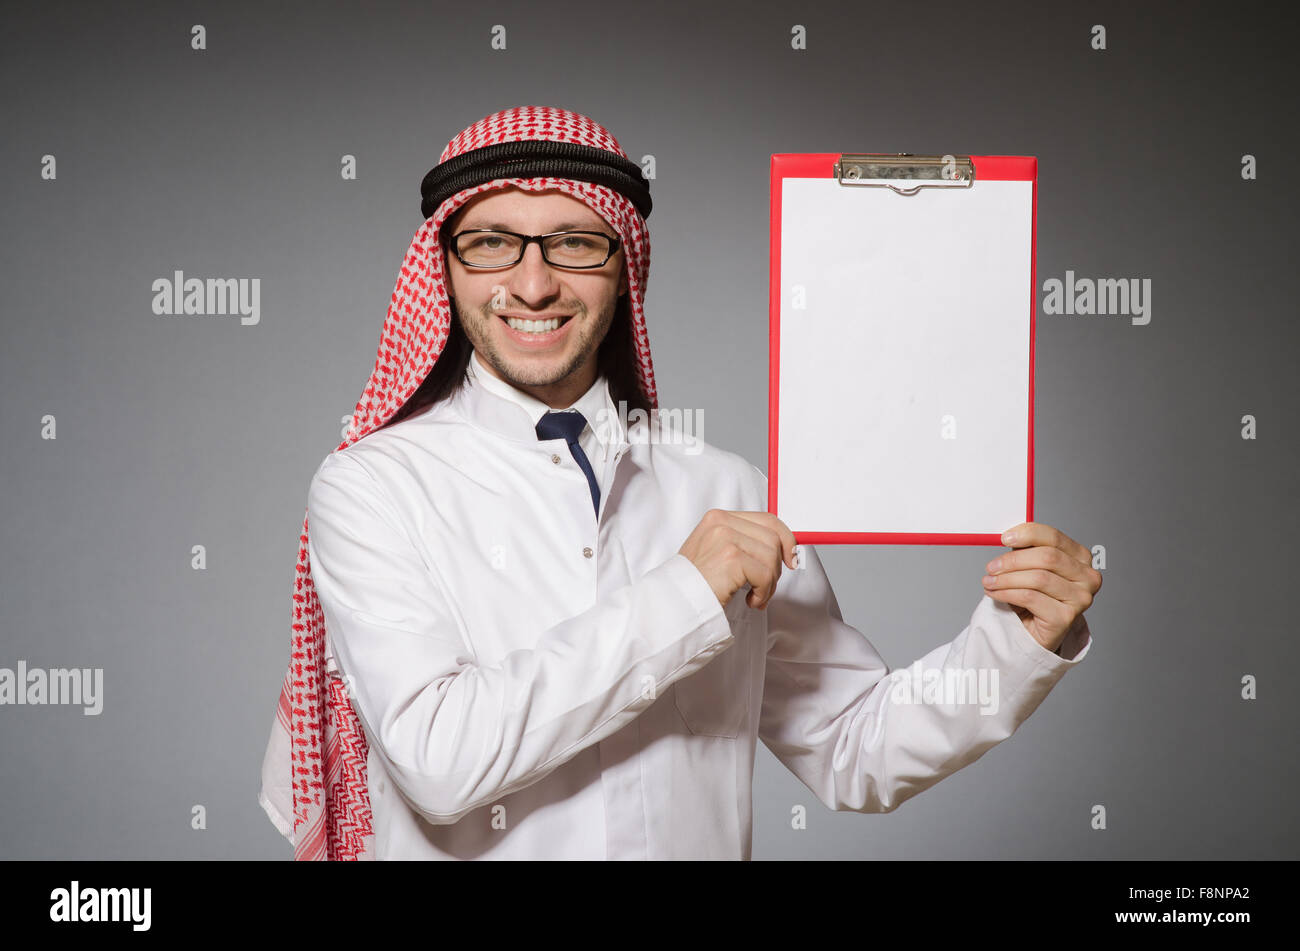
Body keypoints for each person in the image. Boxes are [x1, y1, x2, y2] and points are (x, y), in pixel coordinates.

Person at [258, 105, 1101, 861]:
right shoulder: (370, 487)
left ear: (624, 266)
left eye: (574, 242)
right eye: (492, 243)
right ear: (445, 267)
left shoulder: (726, 487)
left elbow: (854, 748)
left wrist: (1018, 641)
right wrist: (688, 592)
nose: (532, 282)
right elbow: (441, 758)